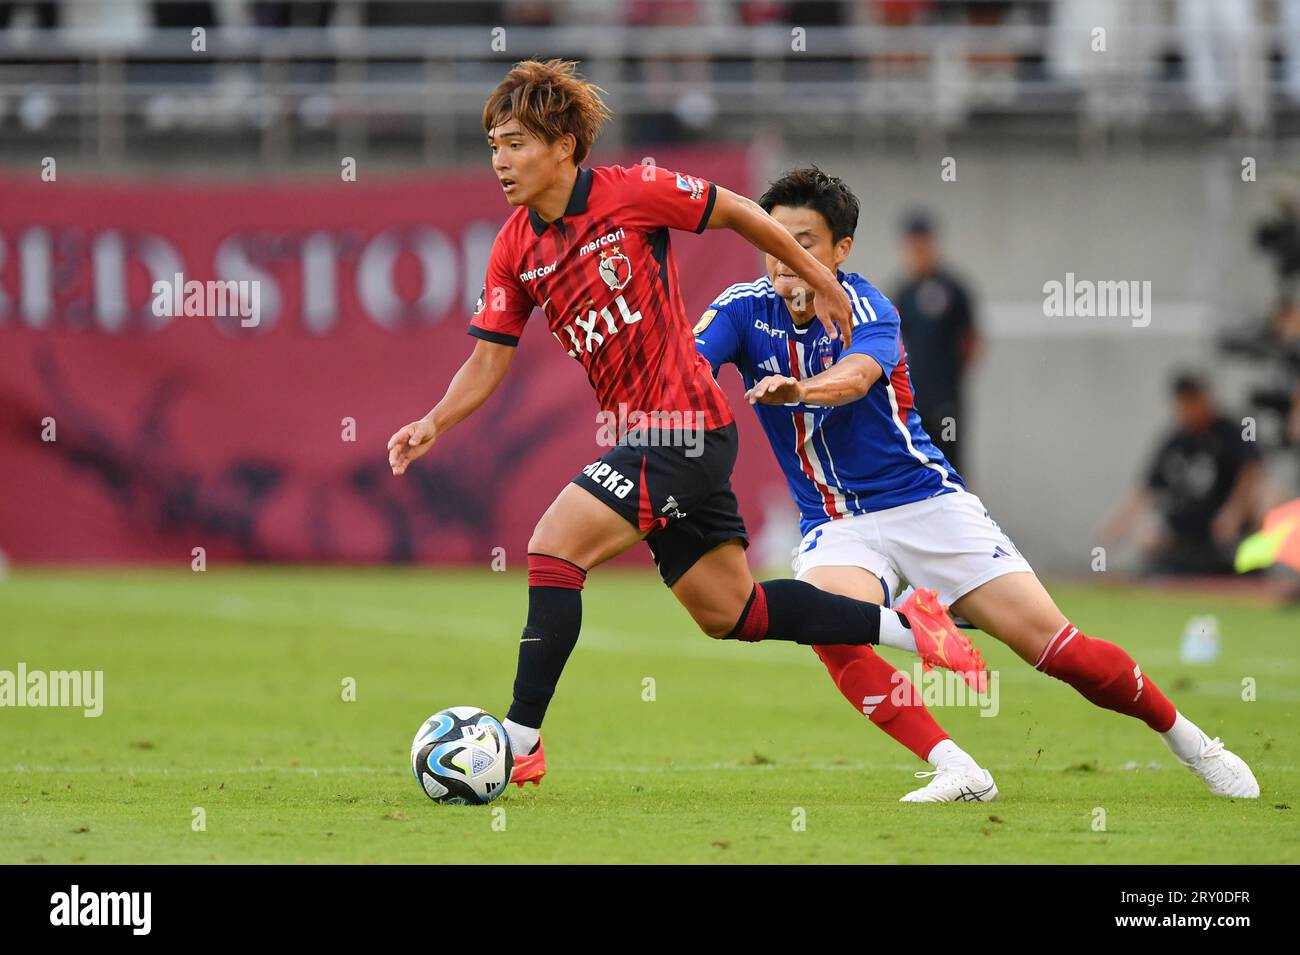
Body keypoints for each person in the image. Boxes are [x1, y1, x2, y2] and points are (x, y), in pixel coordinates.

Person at [386, 60, 983, 789]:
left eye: (514, 143)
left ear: (564, 145)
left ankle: (520, 739)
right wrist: (433, 421)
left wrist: (820, 278)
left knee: (552, 548)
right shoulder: (515, 247)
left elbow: (741, 213)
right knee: (732, 610)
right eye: (492, 145)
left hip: (687, 427)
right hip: (647, 437)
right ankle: (912, 628)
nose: (499, 161)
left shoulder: (630, 192)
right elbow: (487, 362)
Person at [695, 166, 1259, 800]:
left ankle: (1189, 740)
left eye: (803, 242)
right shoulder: (743, 310)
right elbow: (689, 366)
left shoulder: (870, 306)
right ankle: (957, 767)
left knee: (1058, 649)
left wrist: (801, 391)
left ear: (840, 250)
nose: (785, 258)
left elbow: (854, 379)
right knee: (831, 630)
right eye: (773, 239)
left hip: (927, 506)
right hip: (837, 525)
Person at [1104, 372, 1264, 577]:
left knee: (1268, 500)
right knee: (1148, 535)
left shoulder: (1231, 433)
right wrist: (1116, 528)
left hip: (1222, 533)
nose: (1188, 409)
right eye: (1183, 402)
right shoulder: (1175, 441)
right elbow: (1146, 488)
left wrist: (1234, 511)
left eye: (1193, 400)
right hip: (1183, 534)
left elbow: (1252, 471)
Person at [891, 210, 979, 476]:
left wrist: (950, 374)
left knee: (951, 466)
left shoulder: (953, 289)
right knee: (916, 468)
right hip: (914, 401)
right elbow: (892, 341)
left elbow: (971, 339)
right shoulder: (903, 292)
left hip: (946, 399)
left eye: (922, 245)